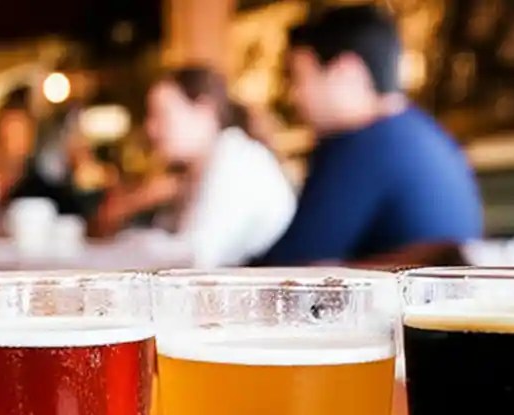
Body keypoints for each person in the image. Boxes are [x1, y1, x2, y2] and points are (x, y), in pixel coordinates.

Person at [253, 5, 482, 266]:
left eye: (299, 78)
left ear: (346, 72)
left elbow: (286, 266)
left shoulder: (364, 145)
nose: (295, 96)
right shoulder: (422, 135)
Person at [143, 66, 295, 267]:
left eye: (160, 115)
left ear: (204, 110)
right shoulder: (203, 167)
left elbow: (195, 257)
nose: (150, 129)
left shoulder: (236, 161)